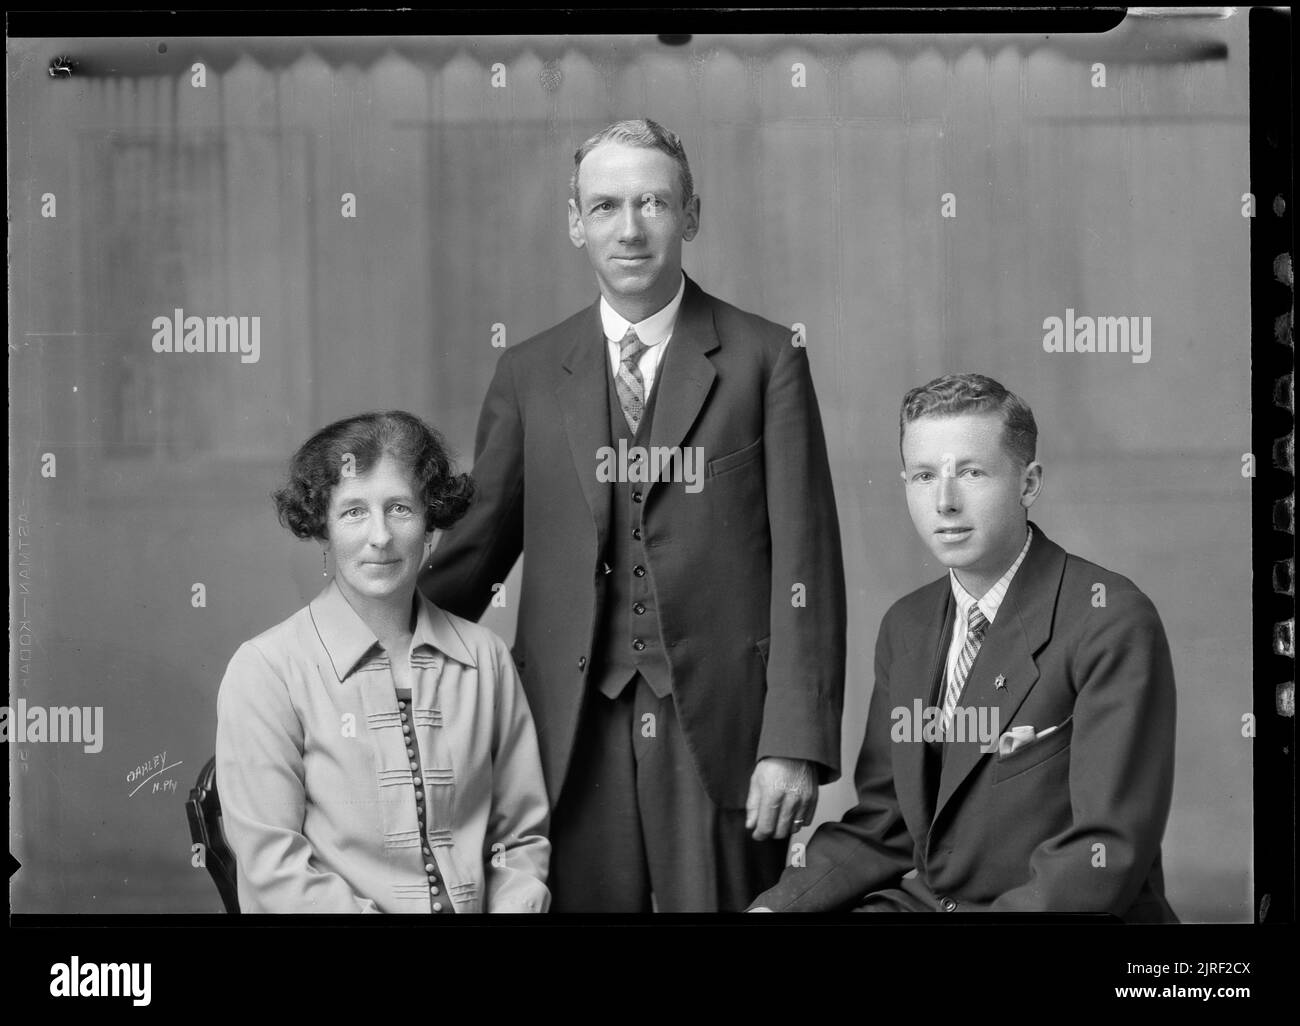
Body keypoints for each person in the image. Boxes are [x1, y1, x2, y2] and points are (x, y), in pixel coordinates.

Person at [420, 119, 846, 912]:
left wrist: (794, 745)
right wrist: (363, 661)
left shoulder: (765, 358)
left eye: (652, 202)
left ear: (690, 215)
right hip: (565, 735)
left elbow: (807, 566)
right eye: (606, 205)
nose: (630, 227)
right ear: (575, 222)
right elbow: (469, 560)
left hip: (722, 730)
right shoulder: (530, 371)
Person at [749, 373, 1177, 920]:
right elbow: (884, 821)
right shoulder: (905, 624)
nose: (944, 502)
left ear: (1028, 484)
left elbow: (1103, 852)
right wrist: (775, 910)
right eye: (924, 476)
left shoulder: (1109, 618)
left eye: (971, 473)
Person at [216, 410, 550, 913]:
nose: (380, 536)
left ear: (430, 523)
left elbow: (519, 841)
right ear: (323, 528)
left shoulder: (486, 659)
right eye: (353, 511)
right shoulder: (266, 670)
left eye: (399, 509)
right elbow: (273, 868)